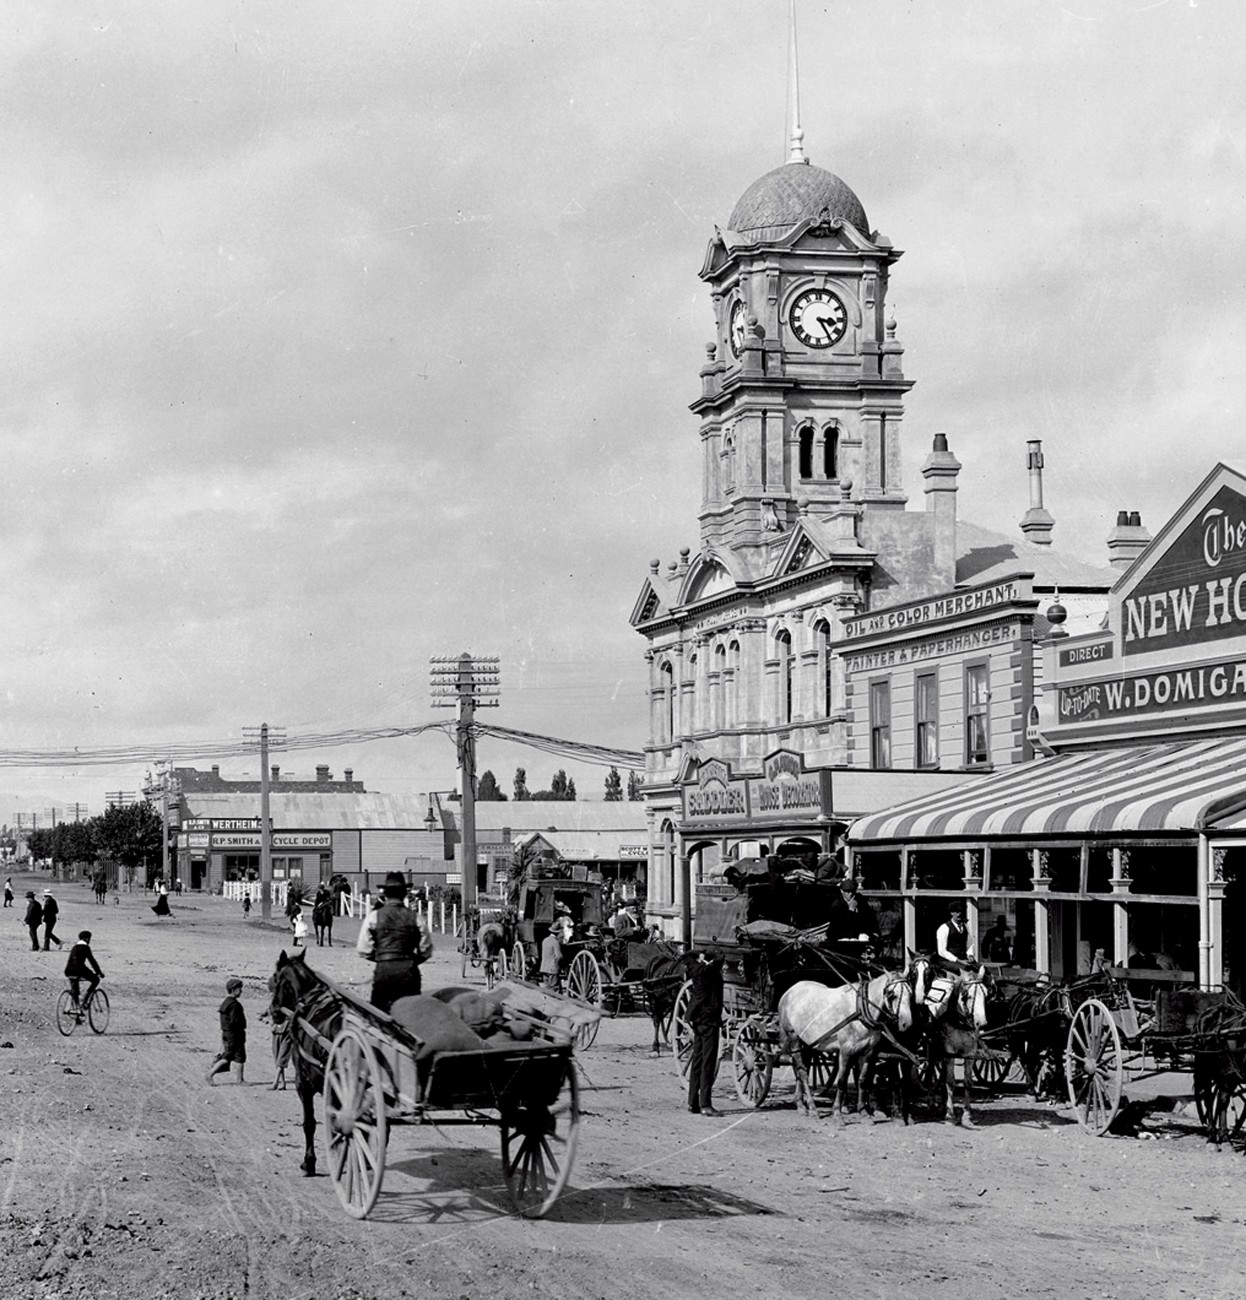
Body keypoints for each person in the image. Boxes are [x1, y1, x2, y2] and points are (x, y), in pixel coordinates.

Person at [356, 872, 433, 1013]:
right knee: (411, 1015)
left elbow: (363, 949)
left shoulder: (374, 917)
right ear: (404, 894)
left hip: (384, 970)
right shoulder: (415, 917)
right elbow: (426, 949)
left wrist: (381, 959)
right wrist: (411, 961)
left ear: (385, 894)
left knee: (380, 1014)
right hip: (408, 971)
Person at [686, 949, 725, 1117]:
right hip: (709, 1020)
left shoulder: (695, 969)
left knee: (697, 1059)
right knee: (708, 1062)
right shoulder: (710, 971)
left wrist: (701, 953)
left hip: (697, 1019)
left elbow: (689, 956)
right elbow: (719, 960)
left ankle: (693, 1102)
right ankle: (706, 1104)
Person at [207, 978, 247, 1085]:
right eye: (239, 989)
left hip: (227, 1034)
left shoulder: (226, 1003)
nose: (241, 991)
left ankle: (239, 1079)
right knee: (233, 1056)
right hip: (235, 1035)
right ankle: (210, 1074)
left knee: (234, 1056)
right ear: (234, 990)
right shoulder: (234, 1005)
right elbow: (235, 1022)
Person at [828, 878, 880, 955]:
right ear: (842, 891)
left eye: (852, 891)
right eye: (847, 892)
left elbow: (870, 917)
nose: (850, 894)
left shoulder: (860, 900)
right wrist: (851, 911)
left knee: (867, 942)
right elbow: (841, 926)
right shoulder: (836, 905)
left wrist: (875, 931)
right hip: (842, 935)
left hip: (859, 934)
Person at [64, 930, 104, 1019]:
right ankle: (85, 998)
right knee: (95, 980)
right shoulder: (85, 947)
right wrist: (99, 972)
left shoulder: (74, 947)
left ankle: (77, 1013)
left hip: (68, 970)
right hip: (79, 969)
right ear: (87, 939)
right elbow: (92, 961)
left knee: (75, 990)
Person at [935, 904, 976, 968]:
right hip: (948, 962)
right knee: (966, 970)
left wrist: (970, 955)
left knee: (982, 968)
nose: (959, 914)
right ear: (951, 913)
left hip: (963, 960)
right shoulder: (944, 928)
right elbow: (942, 951)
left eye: (960, 912)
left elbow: (969, 944)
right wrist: (958, 960)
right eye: (956, 912)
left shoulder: (966, 927)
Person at [540, 926, 563, 991]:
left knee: (547, 989)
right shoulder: (555, 942)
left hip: (544, 968)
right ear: (557, 933)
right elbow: (558, 956)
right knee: (553, 989)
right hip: (552, 969)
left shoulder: (545, 940)